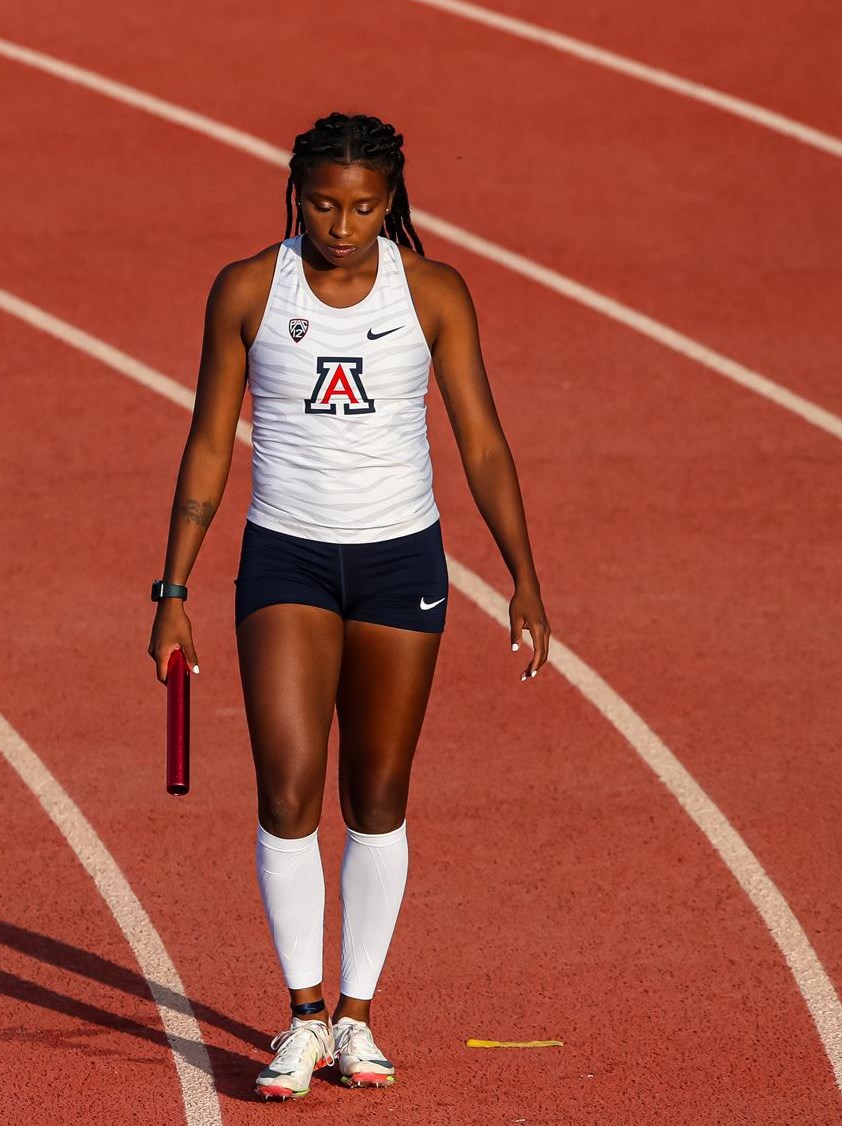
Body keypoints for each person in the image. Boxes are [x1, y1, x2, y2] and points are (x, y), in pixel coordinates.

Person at [146, 112, 551, 1100]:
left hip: (397, 562)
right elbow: (207, 442)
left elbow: (482, 443)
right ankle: (300, 1017)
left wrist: (522, 575)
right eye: (324, 202)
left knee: (375, 794)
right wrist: (172, 587)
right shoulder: (247, 289)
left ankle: (357, 1020)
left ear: (392, 202)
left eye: (364, 206)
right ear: (296, 192)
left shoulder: (434, 295)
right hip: (283, 560)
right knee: (287, 785)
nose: (341, 223)